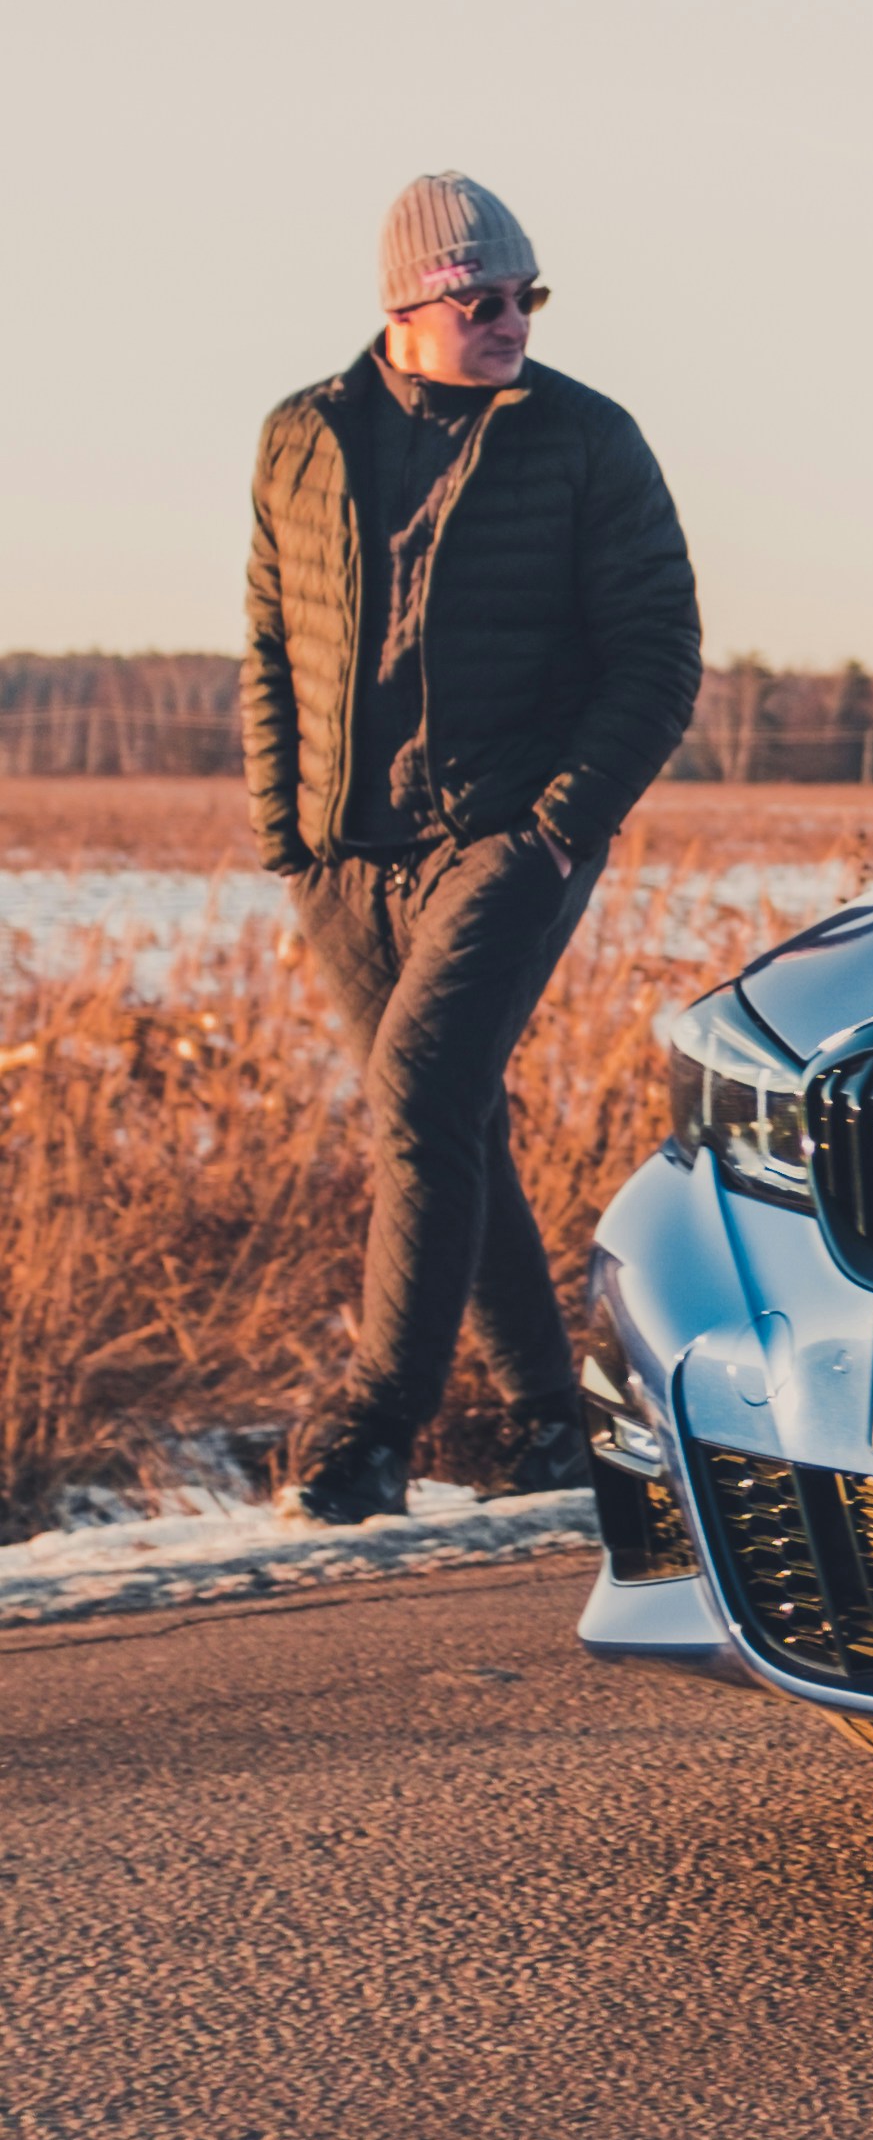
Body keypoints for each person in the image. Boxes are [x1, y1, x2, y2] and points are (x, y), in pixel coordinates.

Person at [245, 175, 703, 1525]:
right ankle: (551, 1420)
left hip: (504, 837)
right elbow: (270, 639)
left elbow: (659, 657)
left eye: (526, 297)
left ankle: (375, 1425)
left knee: (420, 1098)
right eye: (482, 299)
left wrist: (565, 825)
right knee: (450, 1120)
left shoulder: (583, 440)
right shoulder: (301, 438)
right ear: (406, 305)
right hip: (345, 854)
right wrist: (288, 832)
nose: (512, 320)